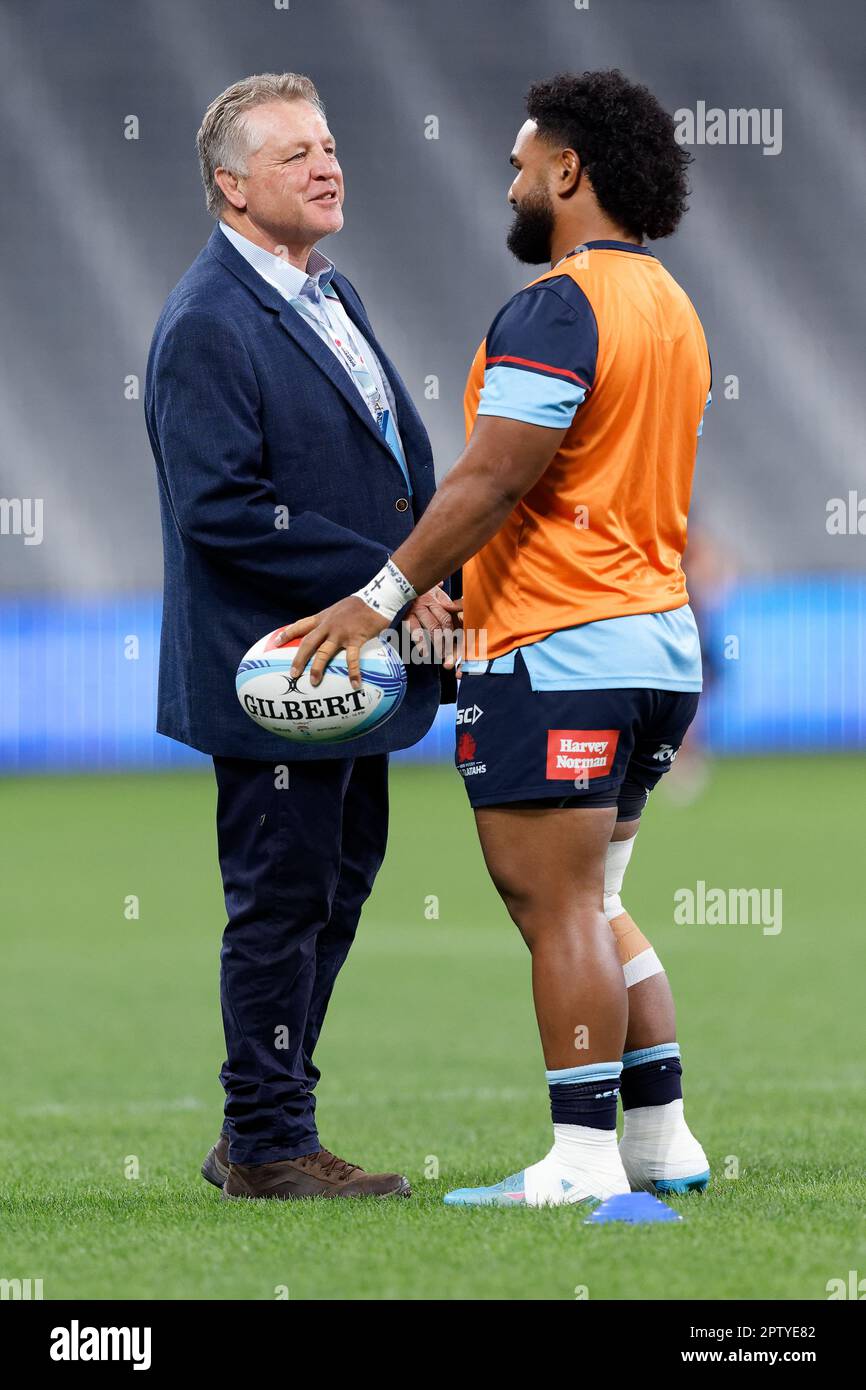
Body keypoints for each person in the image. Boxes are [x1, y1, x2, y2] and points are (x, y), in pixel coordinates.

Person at [279, 69, 712, 1207]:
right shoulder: (668, 302)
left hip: (562, 649)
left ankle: (577, 1165)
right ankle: (660, 1138)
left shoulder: (559, 304)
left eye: (521, 164)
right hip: (655, 645)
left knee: (555, 906)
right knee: (600, 893)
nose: (510, 183)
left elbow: (492, 475)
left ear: (567, 171)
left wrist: (378, 597)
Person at [145, 72, 454, 1202]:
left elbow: (387, 471)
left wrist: (423, 573)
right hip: (278, 673)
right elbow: (220, 506)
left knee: (333, 885)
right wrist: (386, 583)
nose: (326, 166)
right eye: (293, 156)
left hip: (351, 666)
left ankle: (264, 1125)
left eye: (328, 146)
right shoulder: (207, 322)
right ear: (231, 187)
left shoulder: (331, 290)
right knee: (282, 899)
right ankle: (268, 1141)